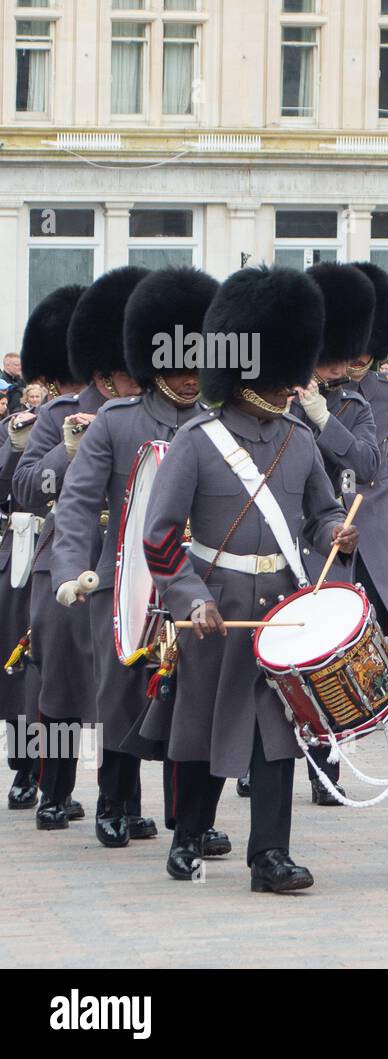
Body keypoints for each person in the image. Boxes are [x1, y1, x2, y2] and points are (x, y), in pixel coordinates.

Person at [143, 265, 355, 892]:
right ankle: (188, 835)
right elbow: (160, 537)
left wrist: (338, 533)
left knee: (275, 734)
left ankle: (269, 855)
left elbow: (319, 515)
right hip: (218, 610)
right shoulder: (198, 440)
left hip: (282, 611)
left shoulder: (298, 438)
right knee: (204, 729)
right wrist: (191, 599)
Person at [50, 266, 228, 855]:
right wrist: (73, 568)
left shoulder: (219, 426)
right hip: (123, 578)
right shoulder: (115, 422)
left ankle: (188, 819)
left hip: (194, 577)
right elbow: (77, 503)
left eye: (195, 362)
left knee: (192, 697)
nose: (188, 374)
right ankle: (115, 801)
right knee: (122, 692)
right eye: (177, 365)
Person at [14, 266, 150, 832]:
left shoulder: (146, 413)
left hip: (124, 560)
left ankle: (123, 803)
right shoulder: (54, 415)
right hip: (64, 560)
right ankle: (54, 790)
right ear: (106, 370)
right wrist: (67, 451)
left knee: (127, 679)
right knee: (62, 682)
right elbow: (23, 486)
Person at [293, 262, 387, 807]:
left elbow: (368, 463)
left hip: (331, 541)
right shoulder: (275, 401)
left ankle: (325, 767)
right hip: (283, 542)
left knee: (326, 658)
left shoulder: (352, 403)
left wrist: (322, 416)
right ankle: (265, 760)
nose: (332, 366)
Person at [1, 285, 83, 813]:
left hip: (71, 553)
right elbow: (14, 484)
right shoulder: (40, 417)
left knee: (64, 675)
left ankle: (57, 777)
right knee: (24, 673)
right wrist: (16, 441)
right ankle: (26, 768)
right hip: (27, 548)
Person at [348, 260, 388, 633]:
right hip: (322, 513)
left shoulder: (386, 390)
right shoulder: (308, 390)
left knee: (377, 613)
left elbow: (367, 458)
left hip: (371, 511)